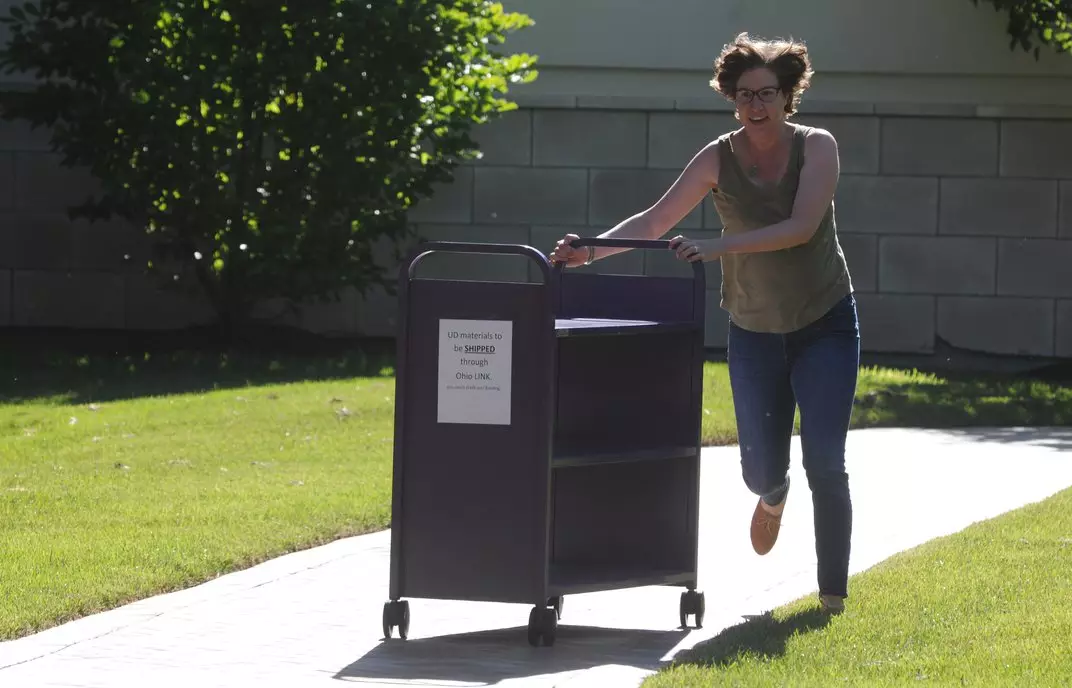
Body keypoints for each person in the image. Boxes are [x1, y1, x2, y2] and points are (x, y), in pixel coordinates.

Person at [549, 32, 859, 615]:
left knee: (826, 459)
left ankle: (832, 598)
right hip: (754, 330)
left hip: (825, 324)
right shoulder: (717, 156)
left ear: (788, 94)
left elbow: (799, 226)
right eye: (744, 95)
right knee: (759, 469)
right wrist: (586, 251)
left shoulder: (818, 147)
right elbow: (654, 219)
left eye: (767, 93)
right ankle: (772, 497)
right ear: (731, 98)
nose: (756, 105)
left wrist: (715, 248)